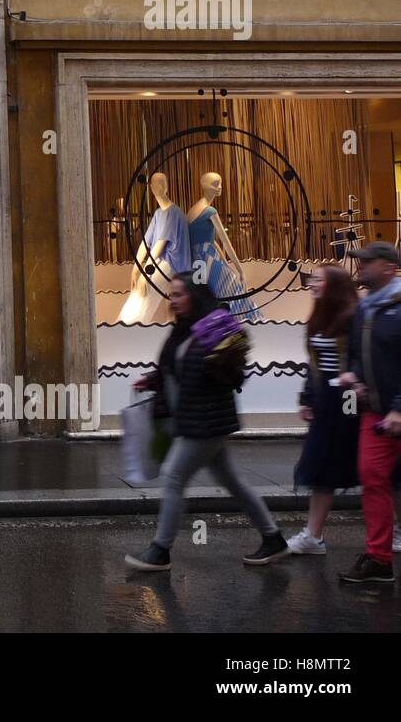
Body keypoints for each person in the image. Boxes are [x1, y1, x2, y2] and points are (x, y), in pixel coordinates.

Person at [125, 276, 288, 572]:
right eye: (171, 295)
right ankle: (273, 537)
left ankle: (160, 550)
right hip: (194, 419)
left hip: (204, 422)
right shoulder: (183, 330)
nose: (172, 300)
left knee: (174, 478)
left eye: (178, 295)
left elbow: (233, 376)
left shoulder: (213, 329)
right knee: (234, 482)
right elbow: (173, 367)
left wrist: (219, 364)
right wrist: (151, 380)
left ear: (194, 296)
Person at [338, 242, 401, 585]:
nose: (360, 267)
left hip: (395, 412)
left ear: (390, 267)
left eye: (367, 262)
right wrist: (355, 377)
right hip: (375, 415)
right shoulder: (365, 308)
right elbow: (354, 352)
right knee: (373, 478)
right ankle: (379, 559)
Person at [287, 265, 359, 555]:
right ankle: (312, 535)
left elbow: (363, 358)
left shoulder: (353, 318)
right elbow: (314, 365)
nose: (312, 284)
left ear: (334, 286)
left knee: (378, 470)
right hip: (326, 401)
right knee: (321, 467)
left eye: (318, 280)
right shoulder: (319, 317)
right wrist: (307, 398)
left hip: (348, 401)